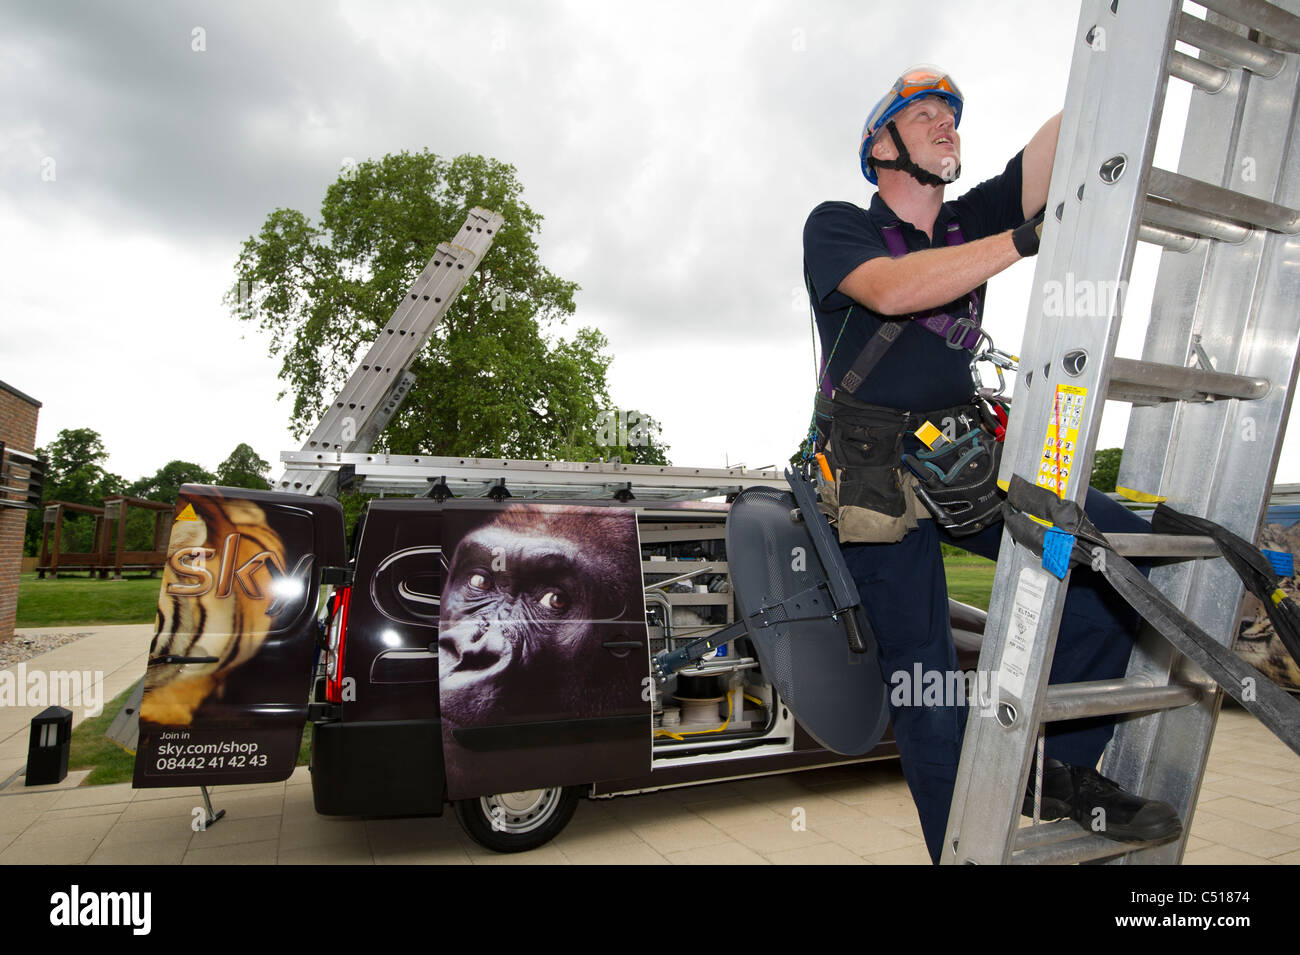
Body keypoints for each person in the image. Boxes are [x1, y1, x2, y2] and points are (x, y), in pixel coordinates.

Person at [802, 66, 1181, 864]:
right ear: (880, 146)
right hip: (875, 479)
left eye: (953, 116)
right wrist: (1020, 241)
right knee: (928, 684)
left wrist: (1132, 48)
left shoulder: (967, 220)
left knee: (1117, 563)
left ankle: (1063, 769)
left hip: (962, 458)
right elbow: (894, 291)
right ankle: (962, 853)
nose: (947, 125)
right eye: (925, 114)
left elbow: (1054, 149)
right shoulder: (838, 225)